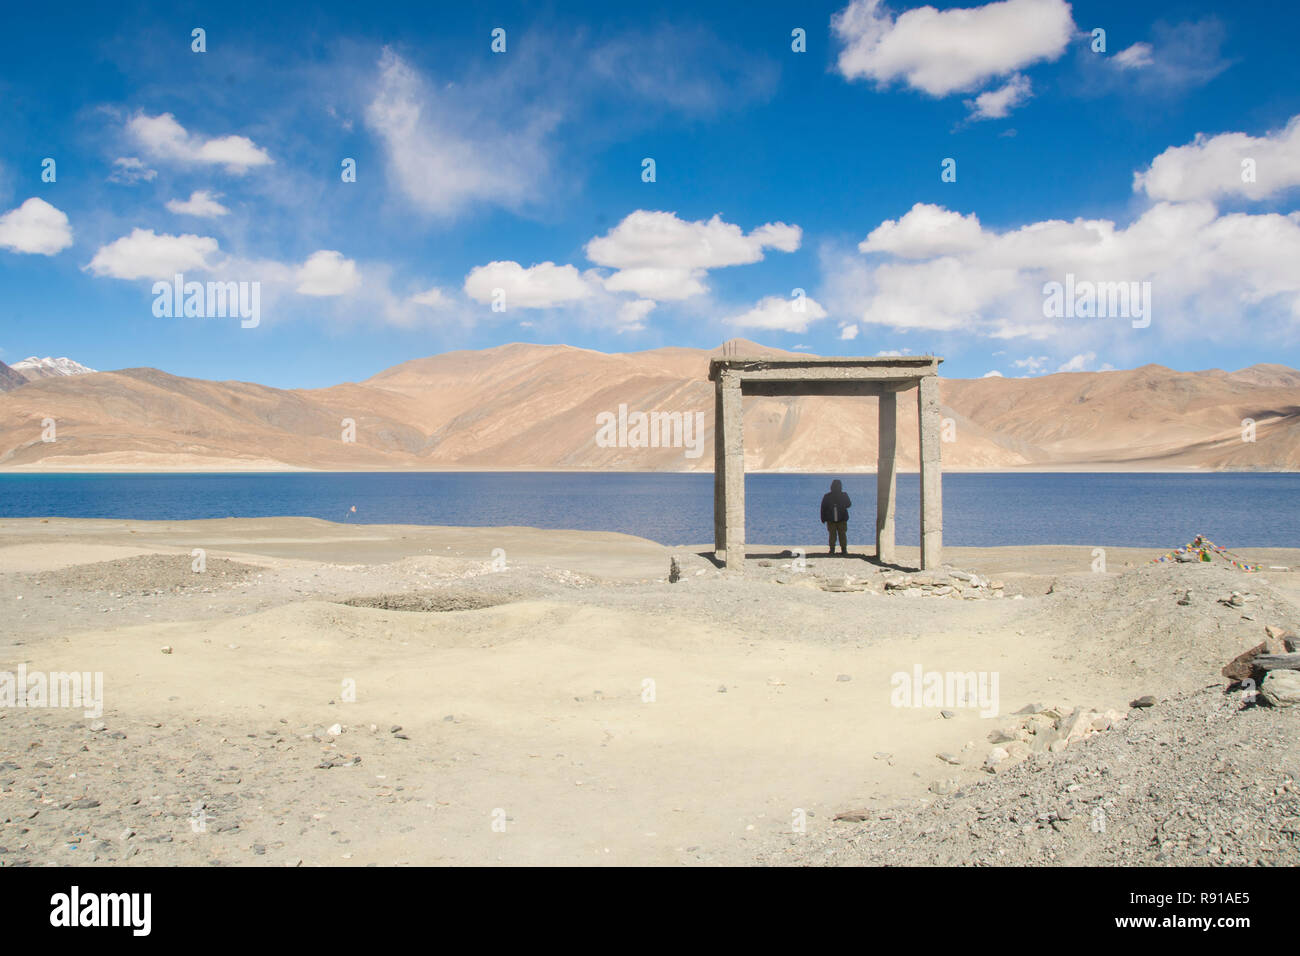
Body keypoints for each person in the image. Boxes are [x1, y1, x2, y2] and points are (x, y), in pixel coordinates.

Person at [820, 478, 851, 556]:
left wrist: (823, 518)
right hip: (840, 519)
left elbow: (823, 508)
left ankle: (832, 550)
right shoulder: (844, 495)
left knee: (833, 535)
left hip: (834, 519)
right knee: (841, 535)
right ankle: (843, 550)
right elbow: (849, 504)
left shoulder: (827, 496)